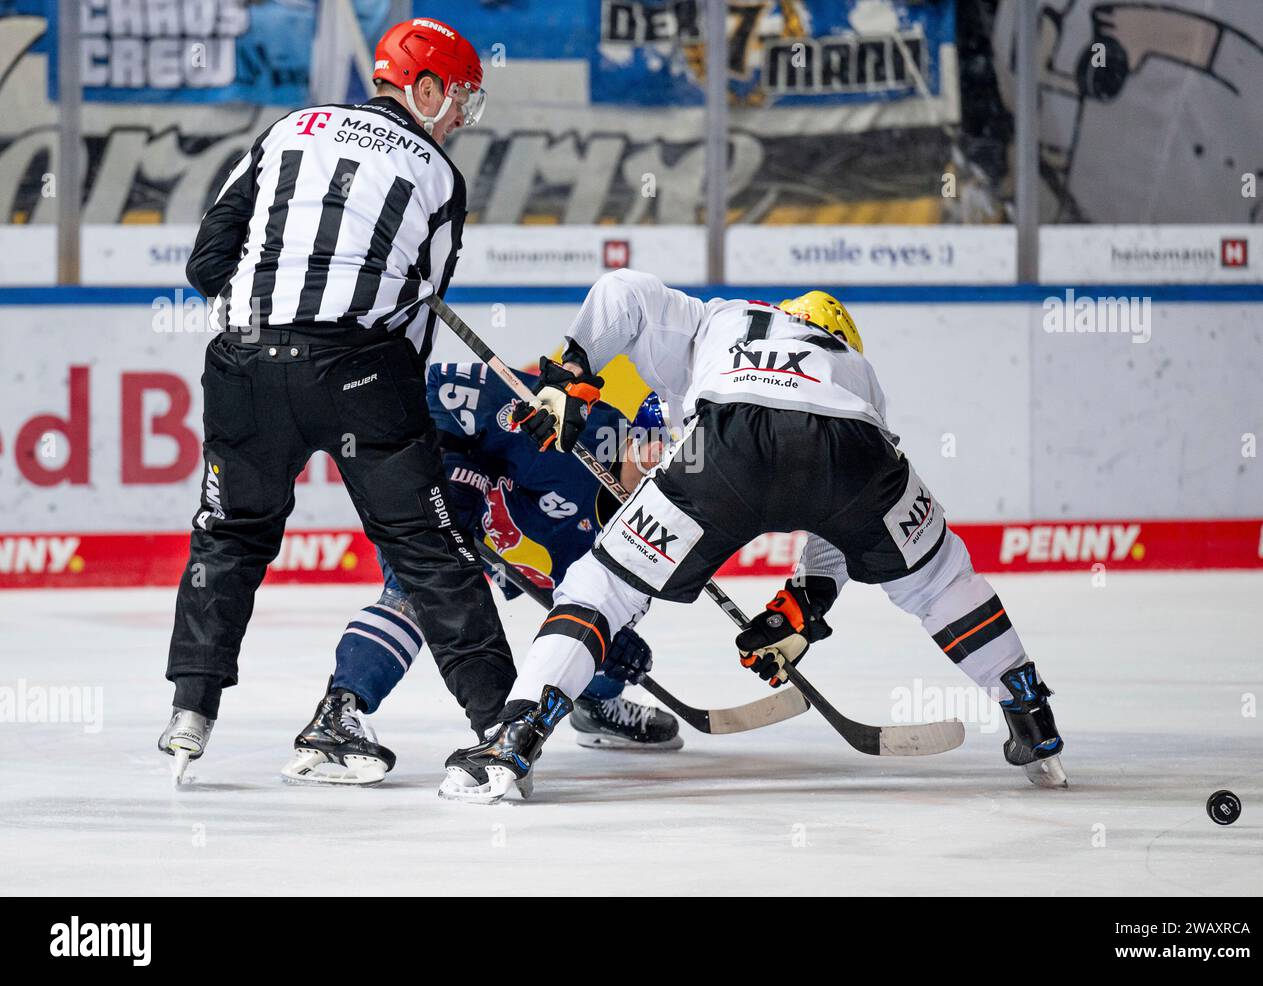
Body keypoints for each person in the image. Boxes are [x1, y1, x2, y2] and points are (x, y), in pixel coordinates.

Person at [438, 271, 1068, 803]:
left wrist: (571, 374)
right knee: (941, 582)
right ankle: (1031, 716)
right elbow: (842, 516)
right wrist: (805, 601)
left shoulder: (724, 318)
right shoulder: (857, 371)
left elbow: (621, 291)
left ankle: (513, 740)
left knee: (602, 588)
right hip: (856, 451)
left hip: (729, 440)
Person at [157, 18, 512, 782]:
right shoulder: (440, 178)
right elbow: (417, 328)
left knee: (229, 534)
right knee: (427, 547)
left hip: (243, 367)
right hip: (361, 374)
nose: (458, 119)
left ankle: (191, 712)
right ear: (422, 88)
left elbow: (204, 263)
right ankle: (497, 726)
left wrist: (274, 316)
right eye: (455, 100)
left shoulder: (286, 129)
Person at [281, 364, 684, 784]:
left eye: (677, 462)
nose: (663, 468)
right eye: (657, 449)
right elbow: (441, 381)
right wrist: (452, 463)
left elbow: (585, 601)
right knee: (419, 591)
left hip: (520, 534)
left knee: (608, 617)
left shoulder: (657, 518)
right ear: (637, 438)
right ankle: (337, 714)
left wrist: (607, 639)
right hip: (446, 491)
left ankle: (593, 704)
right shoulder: (580, 427)